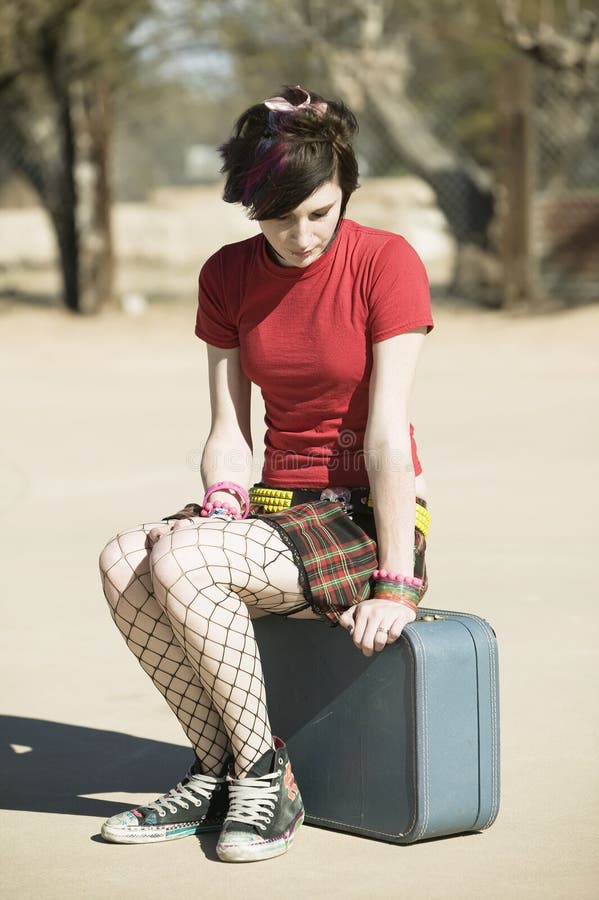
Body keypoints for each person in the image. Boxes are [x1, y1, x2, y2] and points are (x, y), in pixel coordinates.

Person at [98, 84, 433, 864]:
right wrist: (221, 501)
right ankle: (215, 767)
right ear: (249, 208)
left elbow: (386, 436)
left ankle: (263, 774)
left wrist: (397, 581)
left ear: (344, 190)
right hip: (274, 511)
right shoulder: (227, 276)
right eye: (279, 218)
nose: (302, 234)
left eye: (320, 212)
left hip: (361, 518)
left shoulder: (386, 260)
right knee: (123, 557)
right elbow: (227, 431)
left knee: (181, 559)